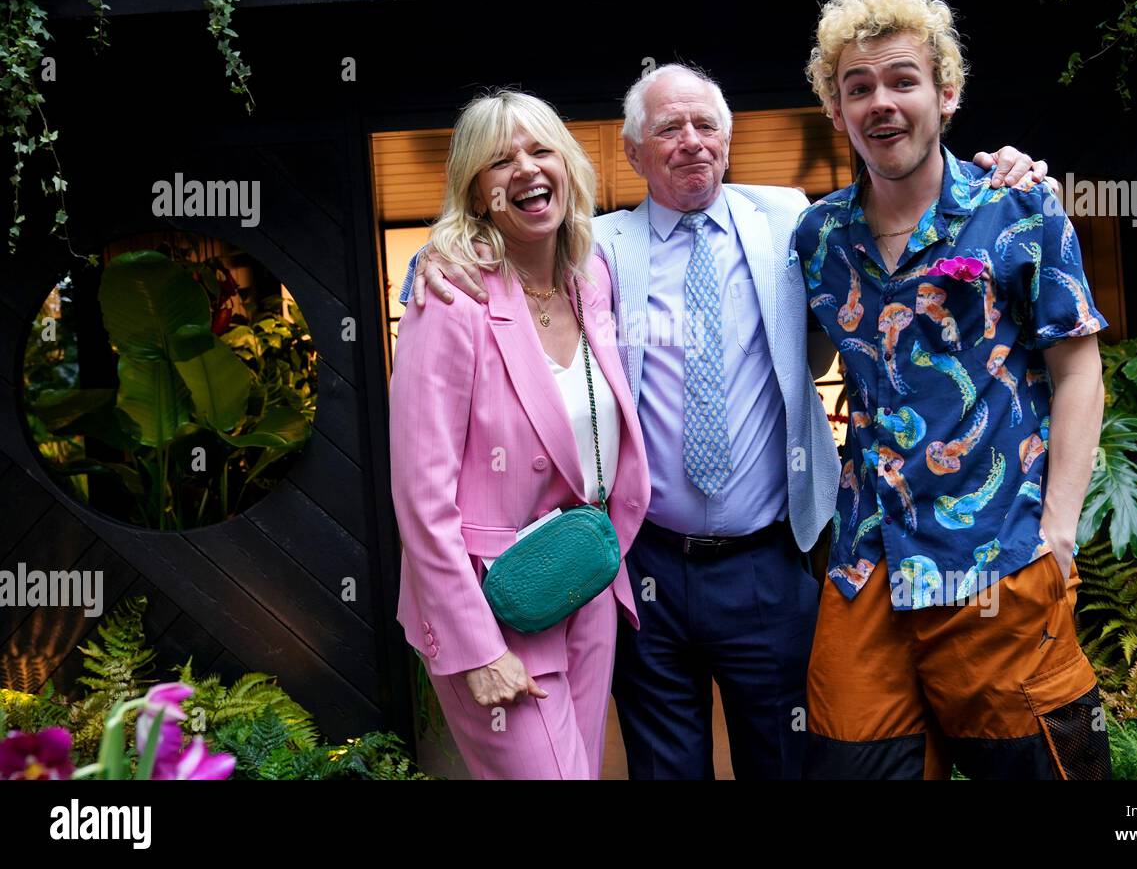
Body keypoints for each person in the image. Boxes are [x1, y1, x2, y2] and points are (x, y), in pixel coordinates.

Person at [402, 64, 1047, 779]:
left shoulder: (794, 221)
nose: (691, 143)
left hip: (768, 563)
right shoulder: (600, 251)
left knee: (783, 761)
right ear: (633, 152)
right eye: (668, 130)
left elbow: (905, 197)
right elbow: (489, 268)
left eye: (706, 126)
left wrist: (1004, 170)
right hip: (642, 566)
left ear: (729, 140)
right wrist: (434, 256)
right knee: (663, 767)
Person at [792, 0, 1111, 779]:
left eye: (903, 80)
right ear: (836, 110)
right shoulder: (816, 238)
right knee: (850, 767)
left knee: (1047, 767)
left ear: (947, 92)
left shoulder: (1021, 211)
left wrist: (1059, 534)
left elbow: (1079, 373)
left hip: (999, 555)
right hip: (869, 560)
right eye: (856, 87)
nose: (881, 103)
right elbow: (800, 359)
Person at [388, 90, 651, 779]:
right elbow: (422, 498)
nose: (526, 169)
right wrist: (475, 647)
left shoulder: (588, 279)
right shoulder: (449, 300)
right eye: (500, 160)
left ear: (567, 164)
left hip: (583, 585)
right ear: (476, 192)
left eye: (540, 150)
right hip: (493, 600)